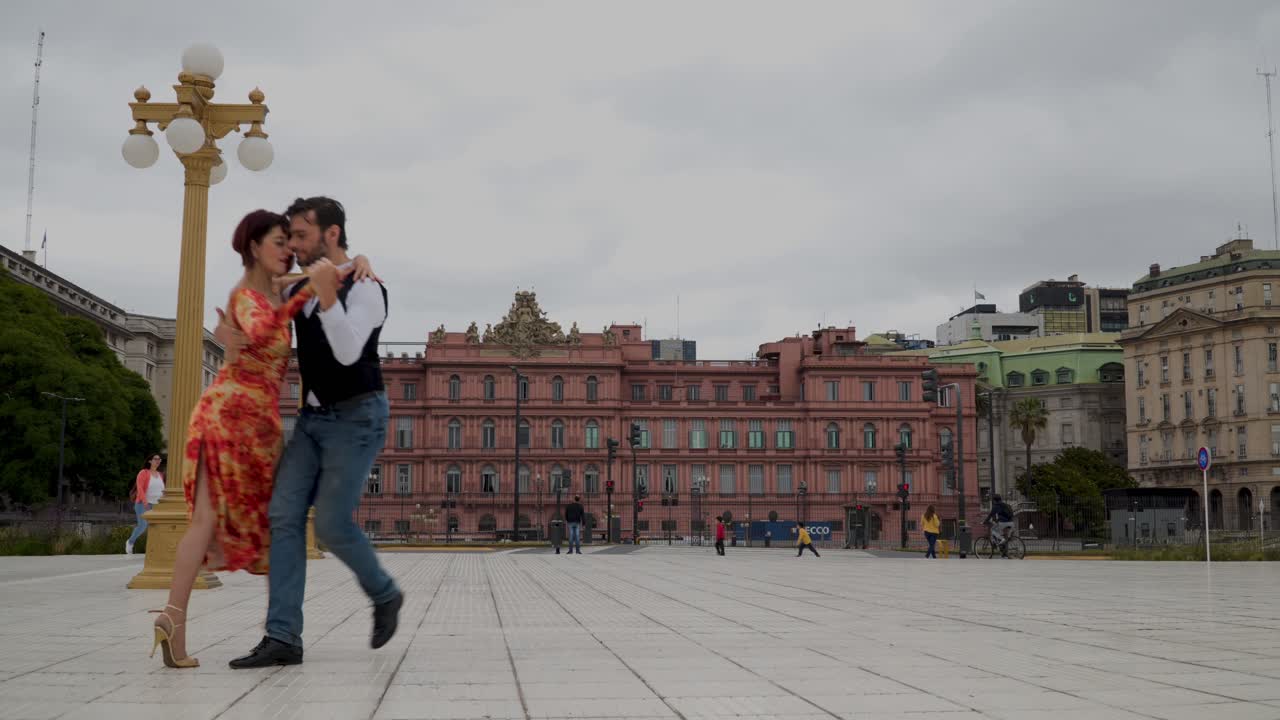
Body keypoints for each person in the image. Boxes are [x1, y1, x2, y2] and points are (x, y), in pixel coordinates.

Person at [151, 210, 362, 669]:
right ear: (253, 247)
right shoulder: (248, 296)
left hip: (242, 416)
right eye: (278, 242)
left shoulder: (272, 290)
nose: (287, 250)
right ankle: (276, 634)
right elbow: (264, 326)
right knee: (250, 521)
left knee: (250, 522)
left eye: (290, 242)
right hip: (236, 417)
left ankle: (179, 622)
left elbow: (323, 274)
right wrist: (294, 300)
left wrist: (354, 261)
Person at [231, 197, 402, 669]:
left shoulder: (367, 288)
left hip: (358, 415)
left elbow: (348, 353)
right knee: (283, 515)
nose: (294, 245)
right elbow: (258, 287)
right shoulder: (300, 283)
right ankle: (283, 636)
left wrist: (332, 288)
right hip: (312, 418)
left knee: (330, 523)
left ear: (331, 234)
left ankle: (385, 594)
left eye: (302, 236)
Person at [126, 453, 164, 554]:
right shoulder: (143, 473)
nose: (158, 461)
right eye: (156, 459)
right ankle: (130, 542)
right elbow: (140, 488)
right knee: (143, 525)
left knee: (157, 527)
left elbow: (162, 490)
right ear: (150, 461)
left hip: (157, 505)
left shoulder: (160, 475)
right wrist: (145, 501)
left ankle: (154, 549)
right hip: (143, 504)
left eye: (159, 459)